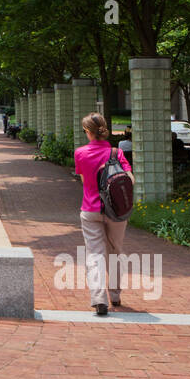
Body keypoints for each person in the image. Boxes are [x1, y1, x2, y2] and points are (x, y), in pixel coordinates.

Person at [73, 113, 132, 316]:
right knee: (115, 250)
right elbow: (129, 179)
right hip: (116, 211)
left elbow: (84, 181)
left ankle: (99, 299)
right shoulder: (116, 153)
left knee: (95, 254)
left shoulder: (80, 153)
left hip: (90, 208)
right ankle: (115, 295)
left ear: (88, 132)